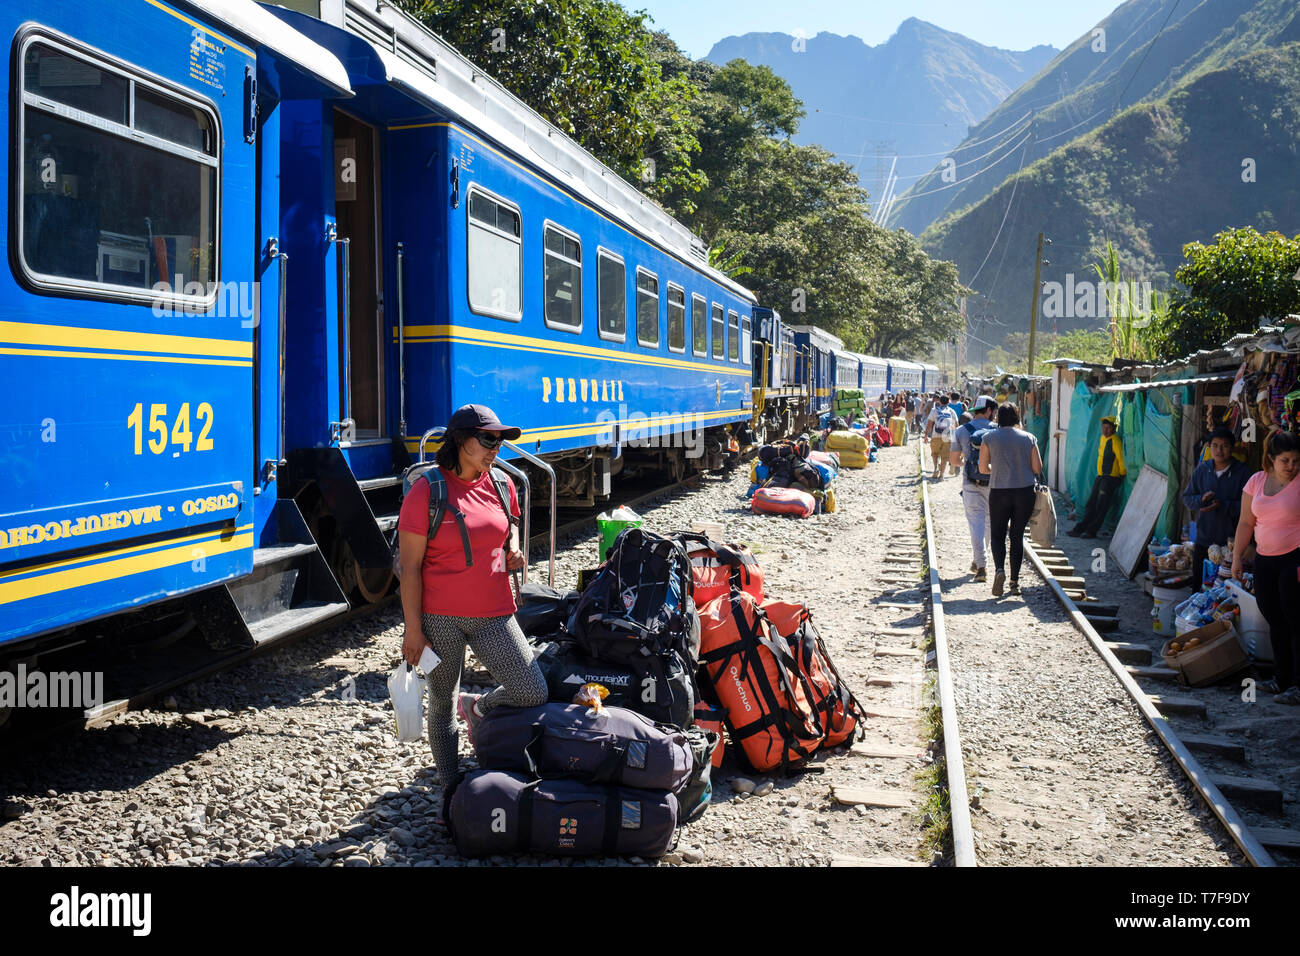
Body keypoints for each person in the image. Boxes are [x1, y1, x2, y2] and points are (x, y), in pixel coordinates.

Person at [398, 403, 548, 787]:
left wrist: (514, 549)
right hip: (439, 618)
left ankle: (479, 708)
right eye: (488, 440)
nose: (495, 449)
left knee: (531, 691)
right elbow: (409, 569)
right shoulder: (426, 491)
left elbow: (509, 526)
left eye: (499, 442)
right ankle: (450, 789)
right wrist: (413, 630)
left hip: (493, 613)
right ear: (461, 440)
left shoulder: (502, 483)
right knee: (441, 703)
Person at [1231, 431, 1300, 704]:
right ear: (1271, 458)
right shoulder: (1256, 481)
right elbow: (1246, 522)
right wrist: (1237, 556)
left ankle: (1298, 685)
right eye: (1285, 461)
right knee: (1274, 617)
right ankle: (1281, 679)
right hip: (1264, 559)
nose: (1291, 466)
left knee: (1296, 619)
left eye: (1296, 460)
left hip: (1294, 558)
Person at [979, 402, 1043, 597]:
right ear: (1017, 417)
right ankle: (1014, 582)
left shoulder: (989, 437)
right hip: (1025, 492)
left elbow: (982, 468)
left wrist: (997, 469)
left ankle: (1000, 570)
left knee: (998, 535)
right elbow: (1037, 468)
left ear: (998, 417)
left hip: (999, 491)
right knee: (1017, 536)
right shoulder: (1029, 438)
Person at [1181, 427, 1251, 582]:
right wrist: (1201, 499)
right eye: (1215, 445)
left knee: (1226, 586)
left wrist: (1223, 505)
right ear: (1209, 447)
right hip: (1204, 538)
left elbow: (1250, 508)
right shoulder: (1202, 470)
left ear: (1232, 448)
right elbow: (1187, 498)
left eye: (1224, 446)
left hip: (1232, 544)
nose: (1219, 450)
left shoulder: (1243, 472)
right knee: (1199, 584)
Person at [950, 395, 998, 581]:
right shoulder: (998, 430)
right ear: (989, 411)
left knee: (976, 524)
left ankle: (981, 565)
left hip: (971, 484)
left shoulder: (961, 430)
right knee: (989, 524)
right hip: (994, 484)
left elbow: (954, 460)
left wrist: (970, 464)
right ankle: (980, 560)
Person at [1069, 415, 1126, 538]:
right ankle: (1080, 529)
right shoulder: (1102, 438)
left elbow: (1121, 460)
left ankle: (1091, 531)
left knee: (1101, 506)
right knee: (1091, 504)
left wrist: (1121, 475)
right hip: (1101, 476)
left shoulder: (1115, 441)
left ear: (1114, 428)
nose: (1105, 430)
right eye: (1103, 427)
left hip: (1110, 478)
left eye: (1108, 428)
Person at [924, 393, 958, 479]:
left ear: (939, 402)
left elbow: (929, 424)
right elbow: (956, 425)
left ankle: (935, 468)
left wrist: (926, 435)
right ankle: (942, 475)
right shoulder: (951, 411)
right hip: (947, 437)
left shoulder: (934, 410)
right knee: (944, 457)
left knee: (935, 454)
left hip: (935, 435)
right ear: (948, 402)